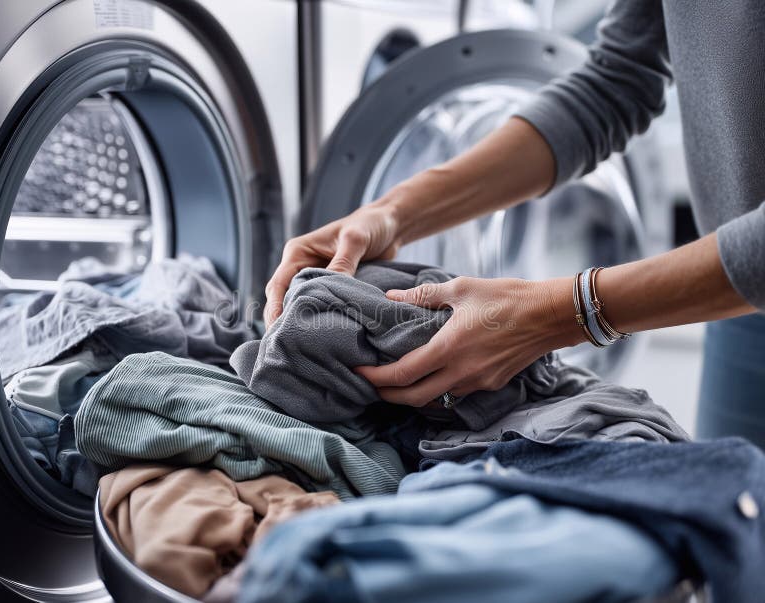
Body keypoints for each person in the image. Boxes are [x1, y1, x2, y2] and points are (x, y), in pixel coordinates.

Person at [264, 0, 765, 447]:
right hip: (738, 297)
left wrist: (554, 315)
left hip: (739, 276)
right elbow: (616, 81)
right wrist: (392, 213)